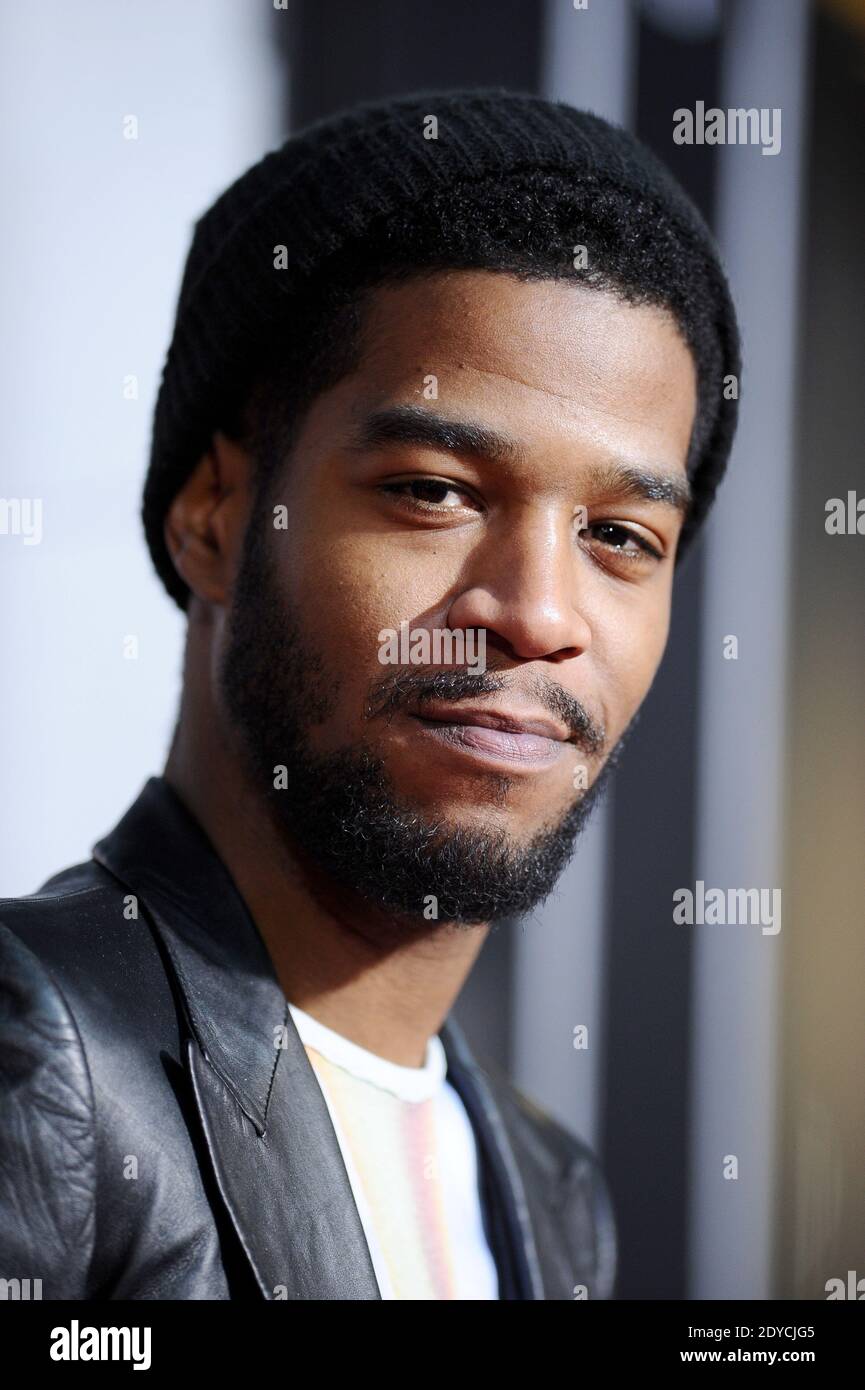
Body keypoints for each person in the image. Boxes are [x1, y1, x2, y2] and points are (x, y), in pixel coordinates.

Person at [0, 88, 740, 1300]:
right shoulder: (38, 1047)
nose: (541, 612)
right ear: (216, 516)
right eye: (435, 491)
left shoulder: (553, 1196)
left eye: (618, 533)